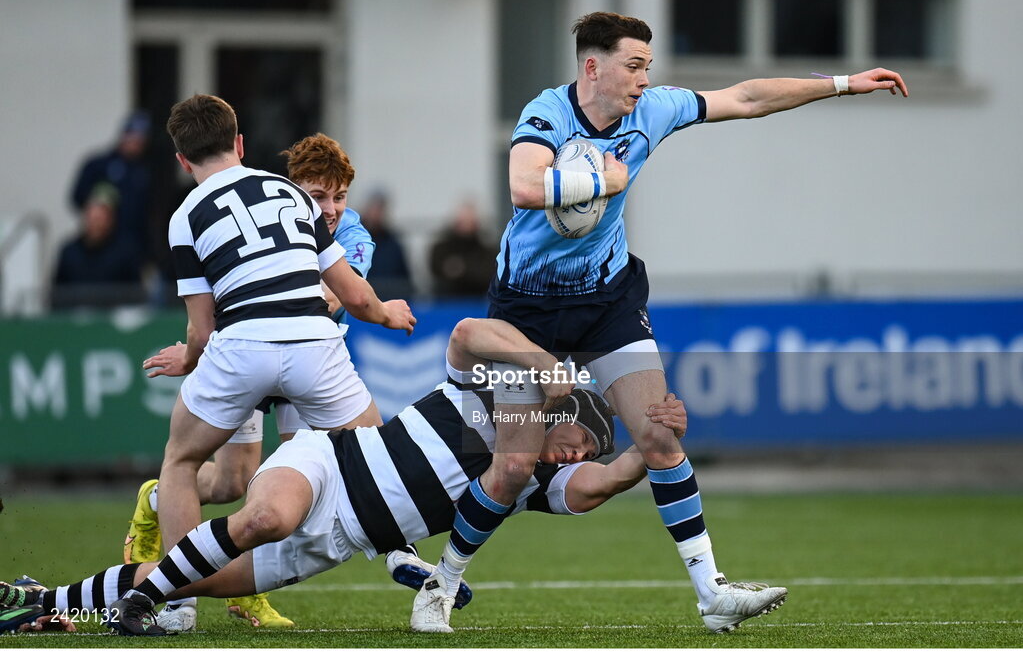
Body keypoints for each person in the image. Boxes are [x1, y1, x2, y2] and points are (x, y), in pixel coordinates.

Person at [417, 11, 907, 633]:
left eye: (648, 67)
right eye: (634, 66)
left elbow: (747, 97)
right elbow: (522, 185)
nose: (645, 80)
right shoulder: (546, 113)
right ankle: (443, 581)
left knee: (657, 435)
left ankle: (712, 593)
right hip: (526, 311)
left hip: (607, 300)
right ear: (593, 67)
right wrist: (603, 175)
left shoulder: (654, 110)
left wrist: (841, 84)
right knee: (513, 467)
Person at [0, 317, 690, 637]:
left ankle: (45, 601)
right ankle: (134, 599)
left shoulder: (525, 483)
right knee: (263, 515)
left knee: (191, 576)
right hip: (326, 466)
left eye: (588, 453)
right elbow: (467, 332)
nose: (576, 457)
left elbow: (599, 487)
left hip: (328, 545)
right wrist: (543, 361)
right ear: (558, 411)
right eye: (579, 441)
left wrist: (647, 448)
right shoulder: (487, 390)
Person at [123, 94, 415, 633]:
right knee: (375, 453)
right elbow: (351, 294)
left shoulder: (185, 215)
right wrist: (386, 315)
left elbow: (202, 329)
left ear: (183, 161)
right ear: (240, 144)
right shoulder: (288, 193)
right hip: (311, 344)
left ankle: (177, 605)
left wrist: (189, 361)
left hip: (241, 349)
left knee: (182, 460)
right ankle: (404, 551)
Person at [70, 111, 152, 261]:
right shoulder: (98, 165)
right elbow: (77, 197)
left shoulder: (144, 171)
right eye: (132, 137)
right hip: (100, 246)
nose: (135, 144)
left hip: (133, 245)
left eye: (140, 140)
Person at [51, 183, 145, 309]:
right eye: (93, 217)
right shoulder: (69, 252)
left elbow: (135, 296)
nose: (96, 223)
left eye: (101, 217)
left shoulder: (125, 252)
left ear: (111, 219)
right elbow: (57, 295)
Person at [428, 201, 498, 297]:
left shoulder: (487, 250)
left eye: (469, 222)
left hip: (478, 301)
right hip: (446, 301)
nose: (466, 226)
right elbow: (436, 268)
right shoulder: (441, 248)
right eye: (462, 222)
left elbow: (488, 273)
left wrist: (462, 270)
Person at [360, 191, 413, 300]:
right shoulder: (352, 240)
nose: (376, 213)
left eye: (380, 209)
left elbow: (404, 278)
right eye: (374, 208)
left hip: (389, 301)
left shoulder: (394, 244)